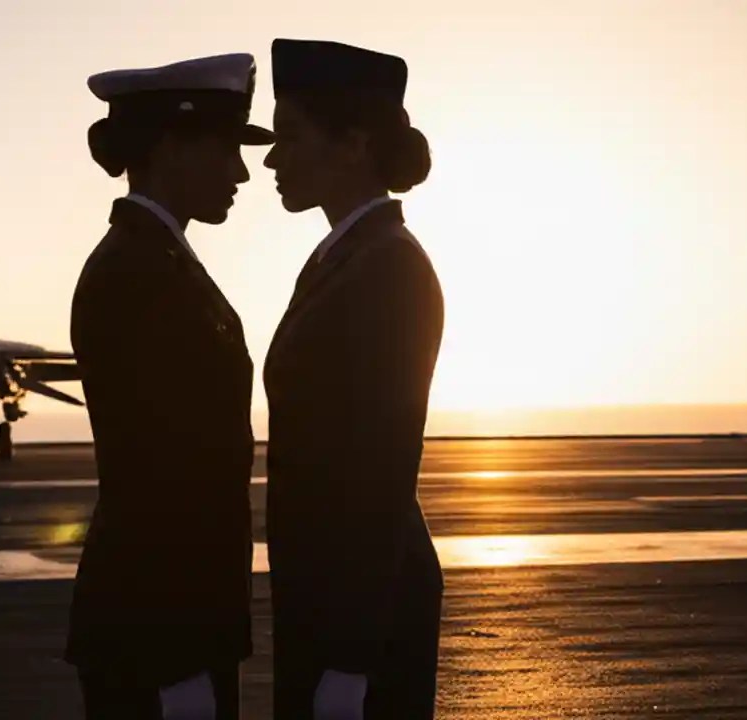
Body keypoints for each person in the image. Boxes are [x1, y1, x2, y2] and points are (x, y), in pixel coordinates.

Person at [66, 53, 274, 720]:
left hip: (172, 621)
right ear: (171, 148)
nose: (241, 172)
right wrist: (176, 659)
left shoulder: (155, 260)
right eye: (224, 150)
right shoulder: (139, 274)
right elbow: (160, 479)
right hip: (160, 630)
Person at [262, 39, 445, 720]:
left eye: (289, 135)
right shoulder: (350, 257)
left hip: (361, 618)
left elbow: (382, 475)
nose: (272, 158)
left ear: (352, 143)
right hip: (334, 604)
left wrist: (350, 659)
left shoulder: (386, 269)